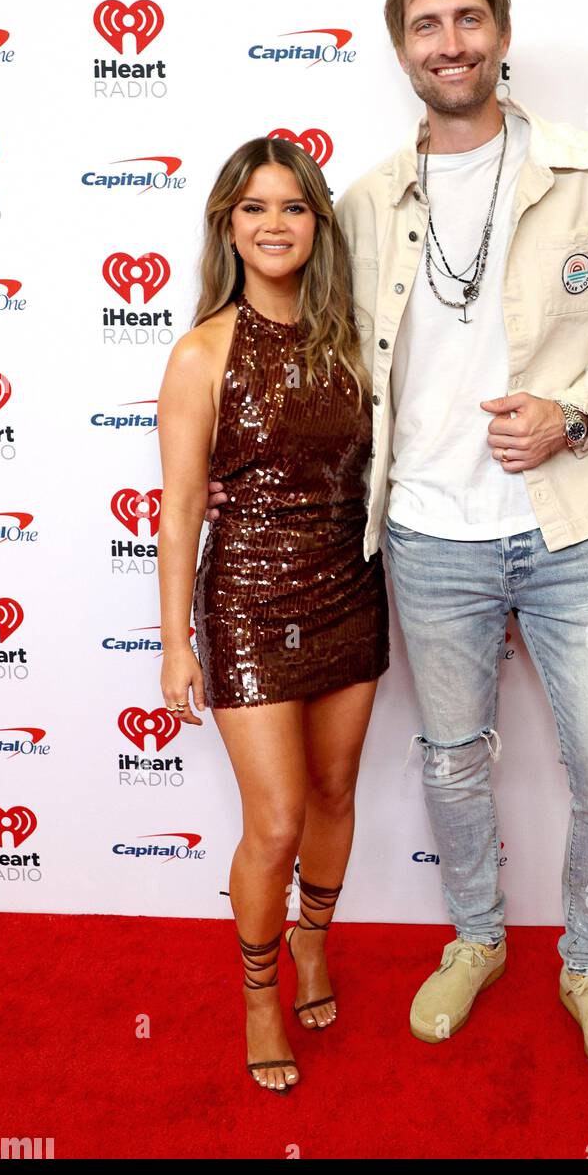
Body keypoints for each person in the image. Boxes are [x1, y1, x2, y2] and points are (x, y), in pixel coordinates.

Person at [206, 0, 588, 1082]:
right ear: (401, 47)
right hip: (423, 534)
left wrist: (569, 410)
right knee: (454, 757)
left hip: (566, 525)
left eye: (467, 19)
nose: (449, 42)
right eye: (427, 25)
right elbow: (307, 332)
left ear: (500, 33)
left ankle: (587, 961)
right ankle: (474, 937)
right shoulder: (365, 201)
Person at [158, 136, 389, 1094]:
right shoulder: (201, 350)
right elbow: (175, 510)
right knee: (279, 818)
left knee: (336, 797)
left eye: (292, 206)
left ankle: (314, 944)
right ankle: (259, 996)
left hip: (349, 590)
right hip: (249, 600)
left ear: (318, 223)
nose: (273, 224)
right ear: (228, 225)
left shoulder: (356, 337)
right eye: (253, 208)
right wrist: (177, 642)